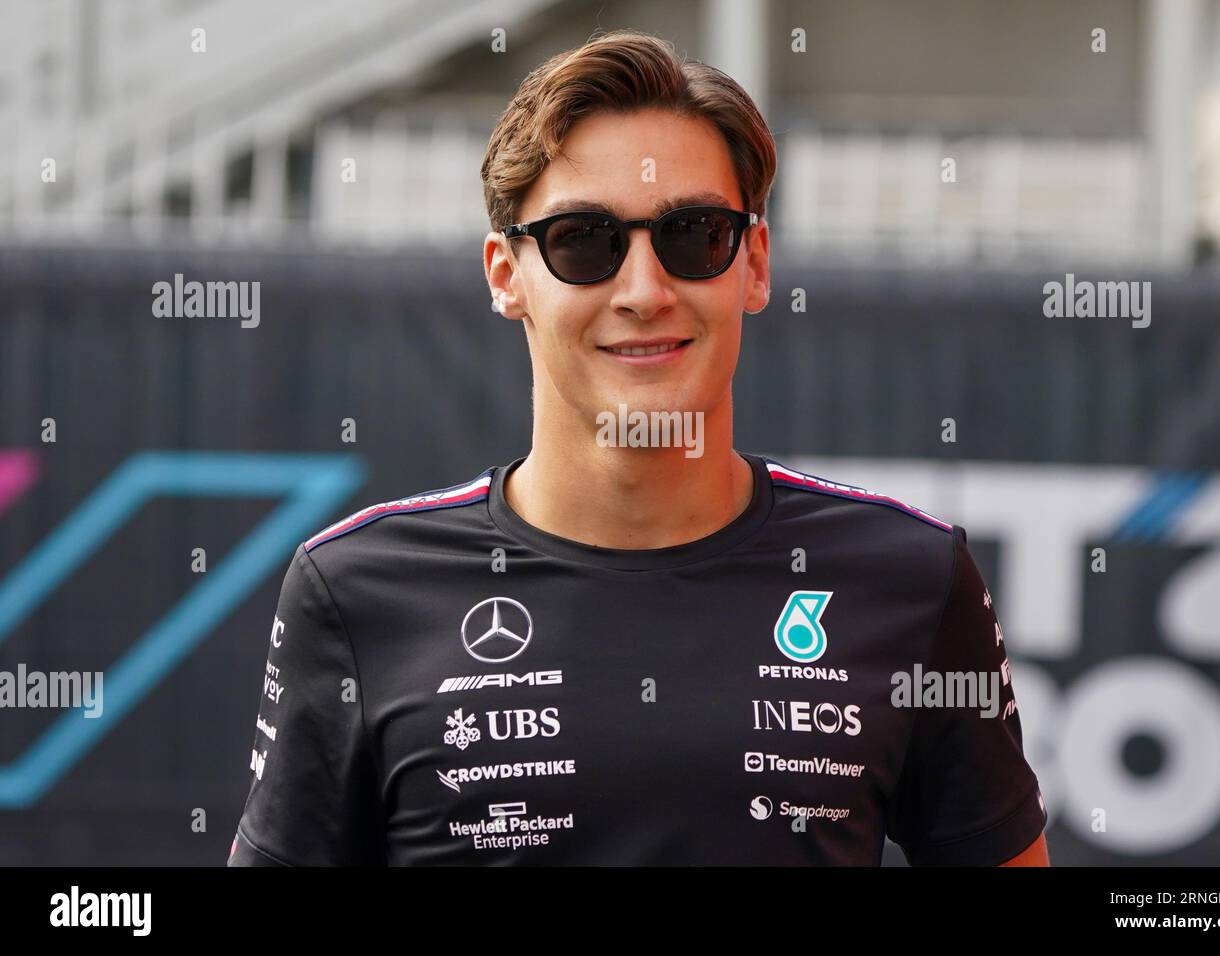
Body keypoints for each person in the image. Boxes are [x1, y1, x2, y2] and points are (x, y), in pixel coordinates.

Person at [228, 28, 1049, 866]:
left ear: (754, 263)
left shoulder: (910, 579)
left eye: (693, 234)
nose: (645, 291)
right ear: (506, 276)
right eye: (584, 241)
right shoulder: (357, 592)